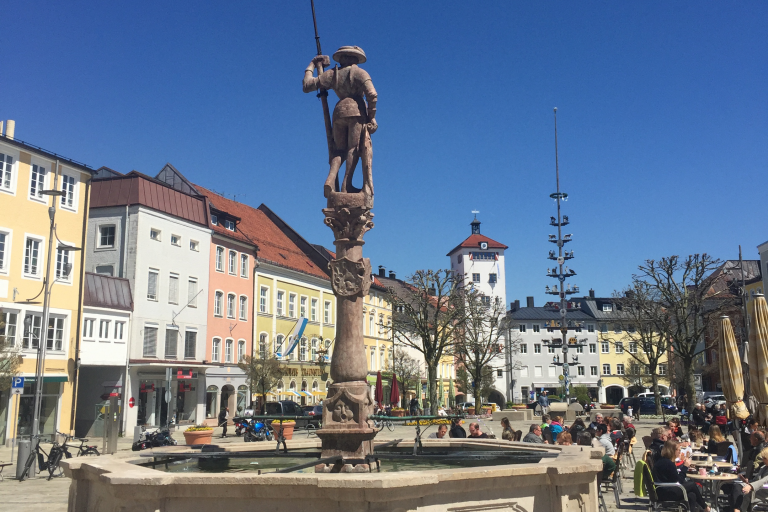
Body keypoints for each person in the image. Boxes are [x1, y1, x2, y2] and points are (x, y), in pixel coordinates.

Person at [302, 46, 378, 198]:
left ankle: (330, 179)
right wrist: (372, 117)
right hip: (356, 111)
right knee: (353, 149)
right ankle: (346, 184)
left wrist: (311, 65)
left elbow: (307, 85)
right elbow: (372, 95)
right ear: (355, 59)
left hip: (338, 112)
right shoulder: (360, 73)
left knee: (339, 150)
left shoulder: (332, 74)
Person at [653, 440, 709, 512]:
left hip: (664, 489)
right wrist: (685, 467)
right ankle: (705, 508)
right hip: (666, 492)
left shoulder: (663, 460)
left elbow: (673, 478)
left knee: (692, 495)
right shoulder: (668, 463)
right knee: (692, 484)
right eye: (679, 450)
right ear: (672, 450)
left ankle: (701, 508)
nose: (680, 452)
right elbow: (679, 481)